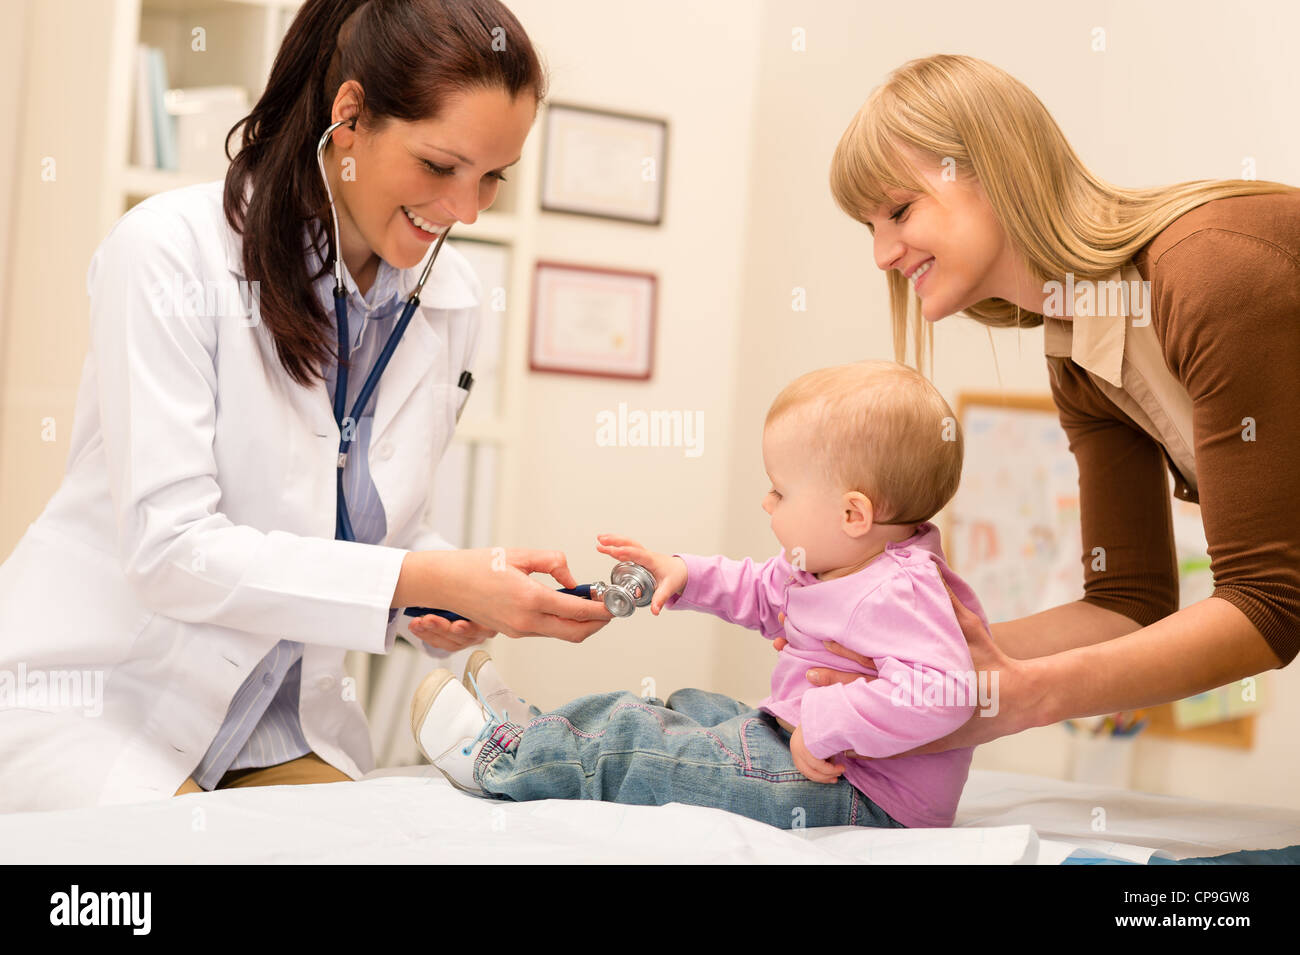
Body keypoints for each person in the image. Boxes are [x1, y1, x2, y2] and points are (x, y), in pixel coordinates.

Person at [0, 0, 611, 814]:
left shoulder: (450, 300)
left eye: (492, 177)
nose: (465, 211)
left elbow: (368, 524)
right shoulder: (168, 253)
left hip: (281, 723)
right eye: (440, 166)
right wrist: (417, 575)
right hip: (108, 699)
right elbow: (171, 550)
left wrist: (445, 591)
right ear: (349, 116)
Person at [805, 54, 1299, 754]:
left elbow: (1270, 603)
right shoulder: (1080, 351)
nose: (883, 253)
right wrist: (921, 669)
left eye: (899, 210)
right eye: (869, 227)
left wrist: (1016, 696)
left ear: (996, 170)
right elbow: (1128, 600)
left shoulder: (1210, 273)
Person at [411, 361, 991, 830]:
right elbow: (761, 589)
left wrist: (827, 724)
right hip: (808, 742)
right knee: (684, 708)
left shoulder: (902, 588)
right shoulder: (839, 562)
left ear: (852, 513)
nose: (767, 503)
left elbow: (946, 692)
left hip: (866, 795)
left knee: (645, 748)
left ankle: (501, 761)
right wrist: (682, 573)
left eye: (779, 491)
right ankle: (538, 732)